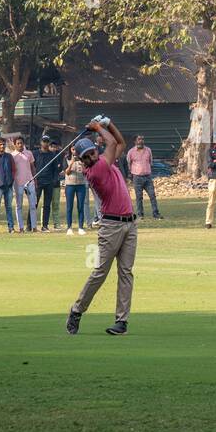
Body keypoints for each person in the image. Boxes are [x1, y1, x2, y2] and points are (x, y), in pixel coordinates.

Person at [66, 117, 138, 336]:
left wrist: (109, 123)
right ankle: (77, 310)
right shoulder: (95, 171)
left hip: (130, 224)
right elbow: (113, 145)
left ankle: (122, 321)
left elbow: (120, 143)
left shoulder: (106, 161)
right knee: (100, 273)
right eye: (85, 156)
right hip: (111, 226)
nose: (90, 157)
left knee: (126, 273)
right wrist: (99, 127)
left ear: (96, 151)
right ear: (82, 160)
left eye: (91, 152)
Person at [126, 135, 163, 220]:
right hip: (137, 177)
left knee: (152, 195)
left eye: (142, 139)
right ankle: (140, 215)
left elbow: (151, 162)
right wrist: (131, 175)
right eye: (139, 139)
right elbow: (128, 164)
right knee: (139, 197)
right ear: (135, 142)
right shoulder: (131, 152)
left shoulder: (148, 150)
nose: (141, 141)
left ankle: (156, 214)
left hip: (148, 177)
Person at [34, 135, 62, 232]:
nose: (45, 143)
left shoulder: (52, 155)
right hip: (38, 182)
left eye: (47, 141)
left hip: (49, 182)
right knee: (34, 203)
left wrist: (54, 180)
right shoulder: (35, 153)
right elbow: (32, 167)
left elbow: (56, 170)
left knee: (47, 205)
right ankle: (31, 225)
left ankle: (44, 226)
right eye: (44, 141)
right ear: (40, 142)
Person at [11, 136, 37, 232]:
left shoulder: (29, 153)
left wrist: (35, 179)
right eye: (18, 143)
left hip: (30, 181)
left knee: (33, 205)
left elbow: (33, 167)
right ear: (15, 145)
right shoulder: (12, 155)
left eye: (21, 143)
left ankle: (34, 227)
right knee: (19, 205)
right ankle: (21, 227)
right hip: (18, 183)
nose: (20, 145)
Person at [63, 146, 89, 236]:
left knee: (81, 206)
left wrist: (81, 163)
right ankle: (69, 228)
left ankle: (81, 227)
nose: (75, 151)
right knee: (69, 207)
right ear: (71, 150)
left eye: (76, 149)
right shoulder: (66, 158)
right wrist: (72, 162)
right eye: (73, 149)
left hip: (81, 184)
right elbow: (66, 172)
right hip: (70, 185)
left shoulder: (83, 158)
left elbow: (86, 171)